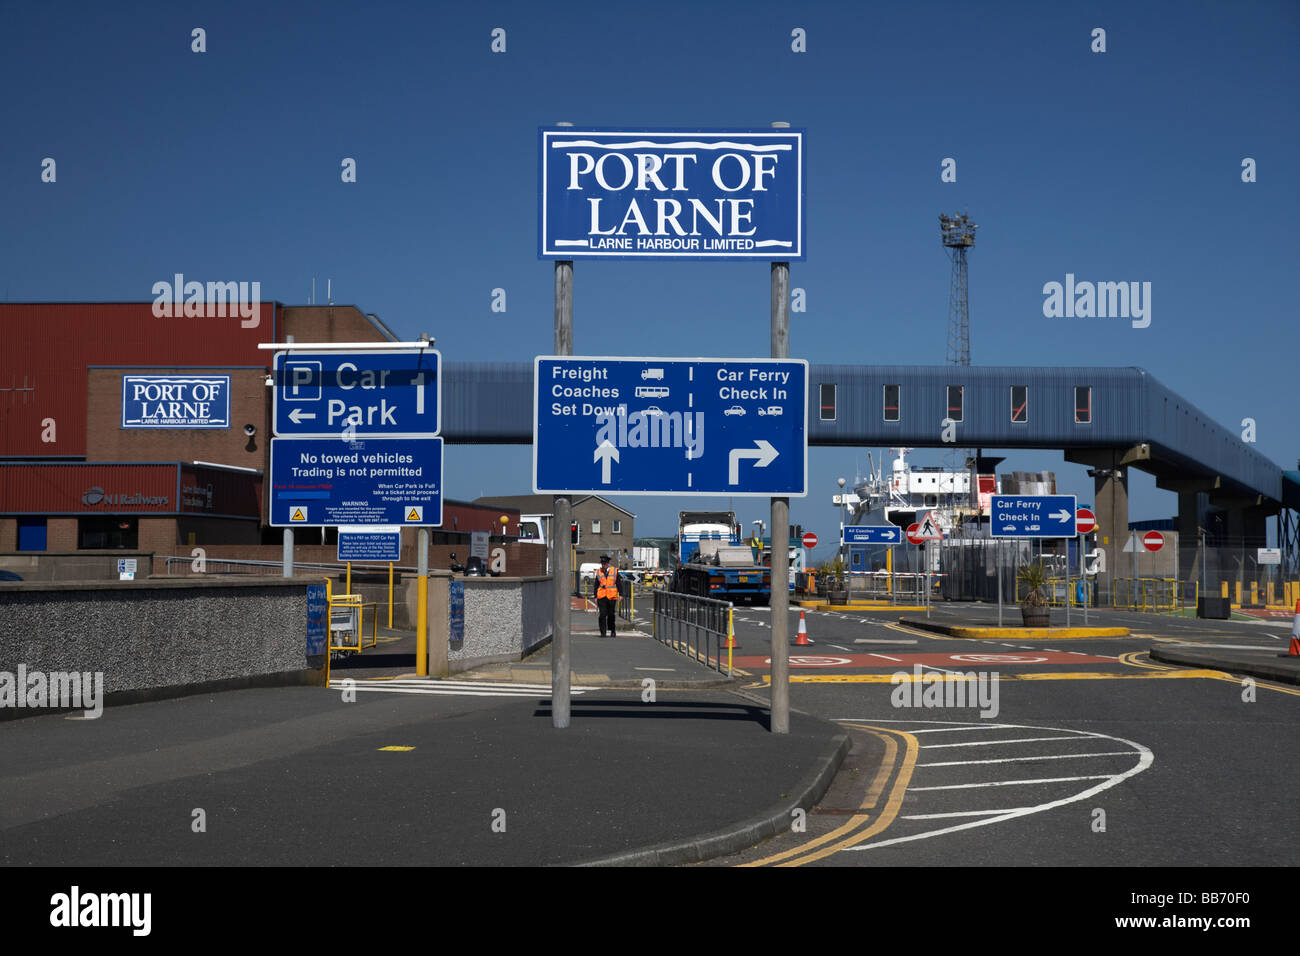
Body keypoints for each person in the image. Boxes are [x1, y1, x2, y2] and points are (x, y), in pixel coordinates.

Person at [595, 553, 620, 638]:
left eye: (605, 564)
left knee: (611, 615)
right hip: (601, 596)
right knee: (602, 614)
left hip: (611, 596)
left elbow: (619, 583)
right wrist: (595, 596)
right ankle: (603, 633)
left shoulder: (614, 571)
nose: (603, 565)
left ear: (608, 563)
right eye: (602, 564)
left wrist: (621, 594)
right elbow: (596, 584)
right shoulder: (599, 572)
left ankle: (612, 630)